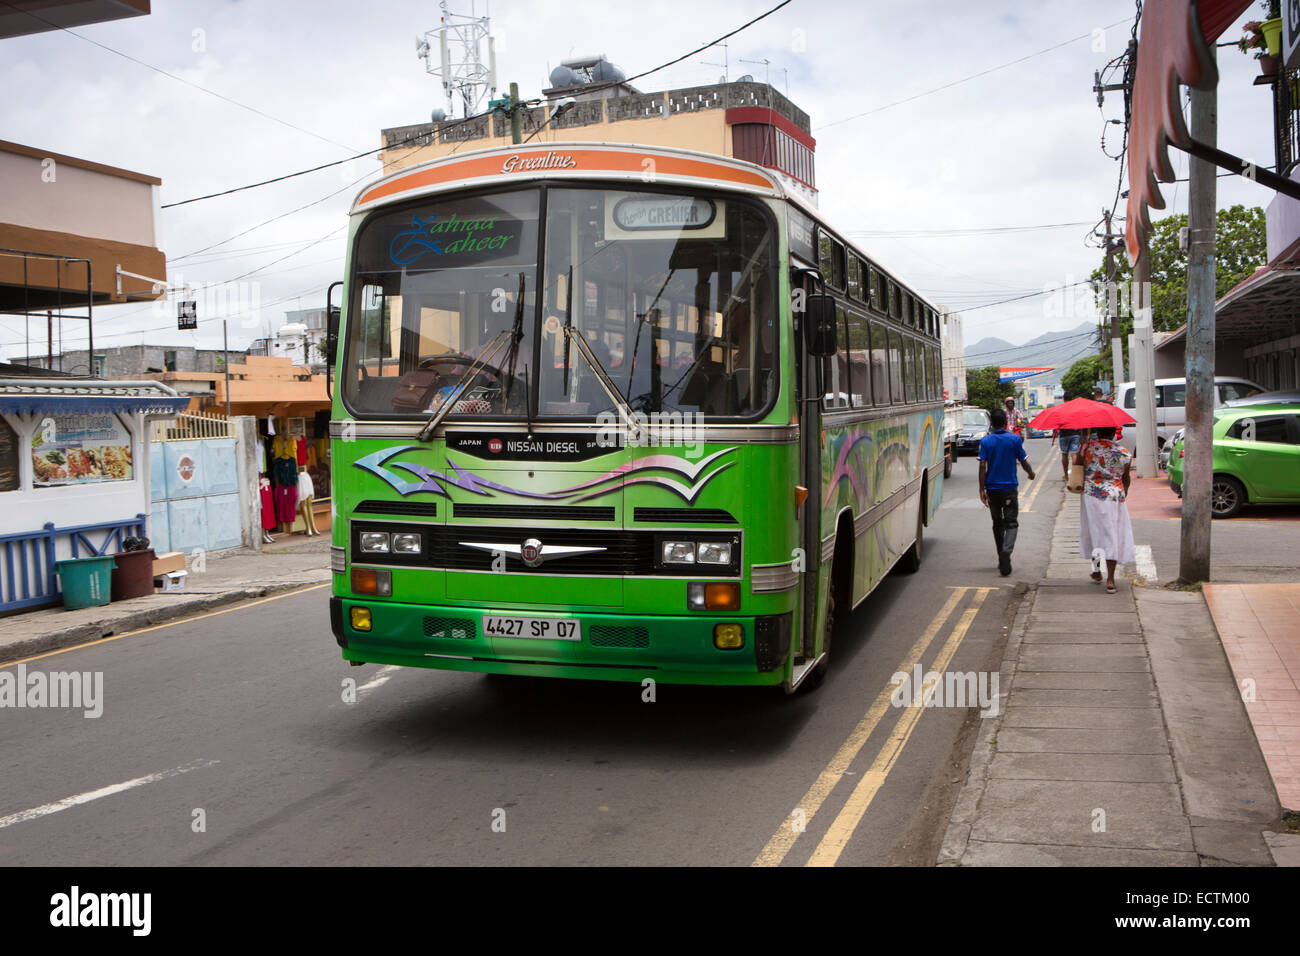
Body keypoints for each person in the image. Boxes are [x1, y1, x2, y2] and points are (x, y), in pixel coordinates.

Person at [1075, 426, 1135, 593]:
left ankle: (1096, 571)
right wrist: (1124, 493)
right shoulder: (1123, 452)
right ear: (1114, 433)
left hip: (1091, 496)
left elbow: (1078, 467)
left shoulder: (1087, 447)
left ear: (1098, 432)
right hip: (1115, 497)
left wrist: (1083, 446)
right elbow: (1126, 478)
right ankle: (1110, 579)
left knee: (1095, 532)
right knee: (1112, 534)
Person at [978, 407, 1036, 576]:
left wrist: (982, 489)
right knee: (1011, 524)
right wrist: (1030, 473)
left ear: (992, 424)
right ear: (1005, 422)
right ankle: (1007, 551)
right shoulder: (1014, 440)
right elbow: (1023, 461)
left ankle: (1001, 555)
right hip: (1009, 488)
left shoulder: (986, 441)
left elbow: (982, 466)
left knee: (997, 524)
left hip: (992, 490)